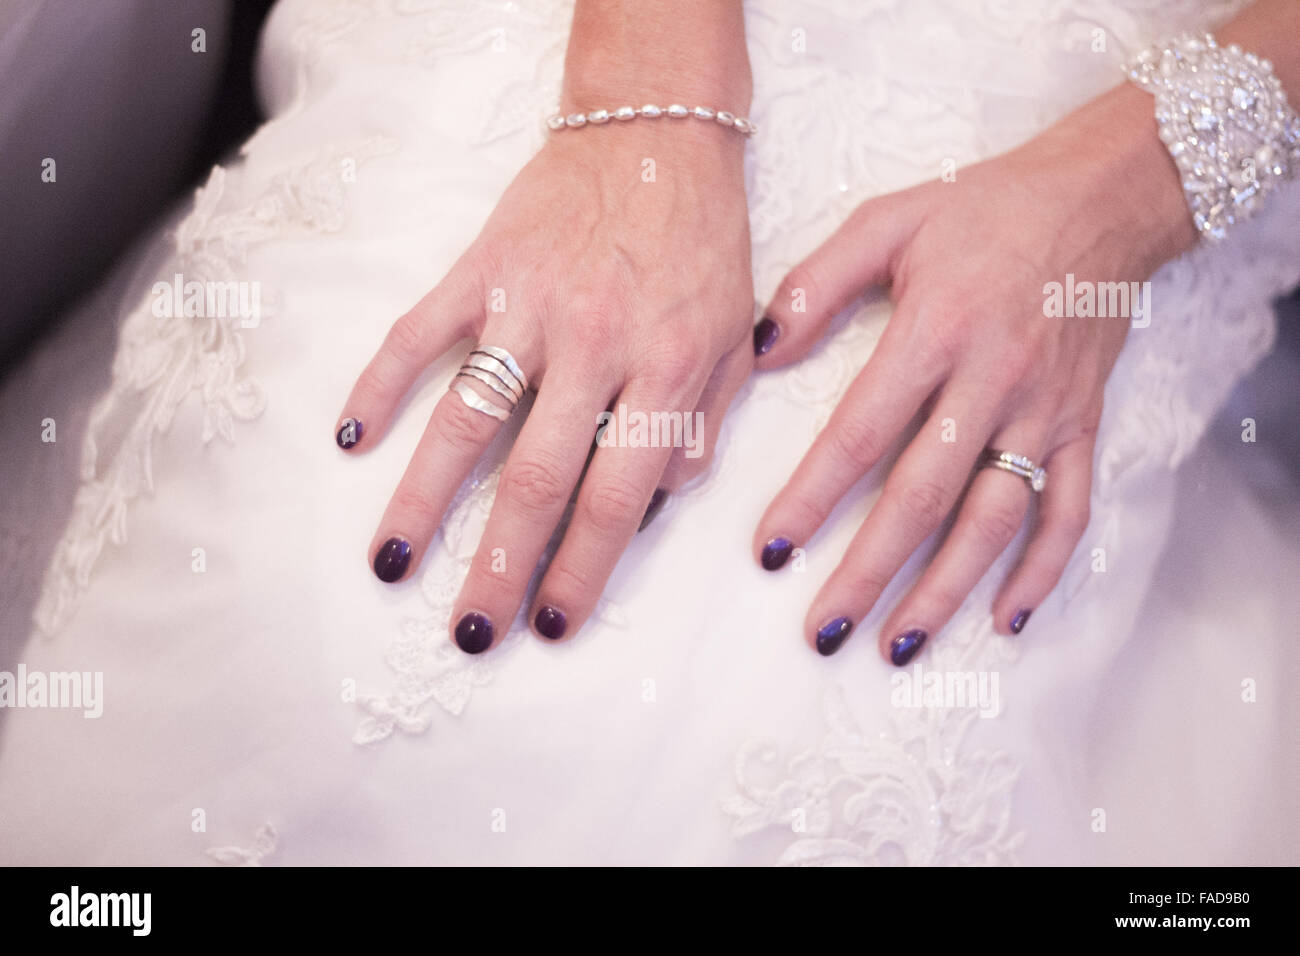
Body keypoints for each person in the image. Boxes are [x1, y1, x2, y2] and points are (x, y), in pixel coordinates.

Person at [2, 0, 1296, 865]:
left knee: (814, 708)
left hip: (1148, 96)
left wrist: (1134, 191)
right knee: (329, 612)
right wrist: (650, 109)